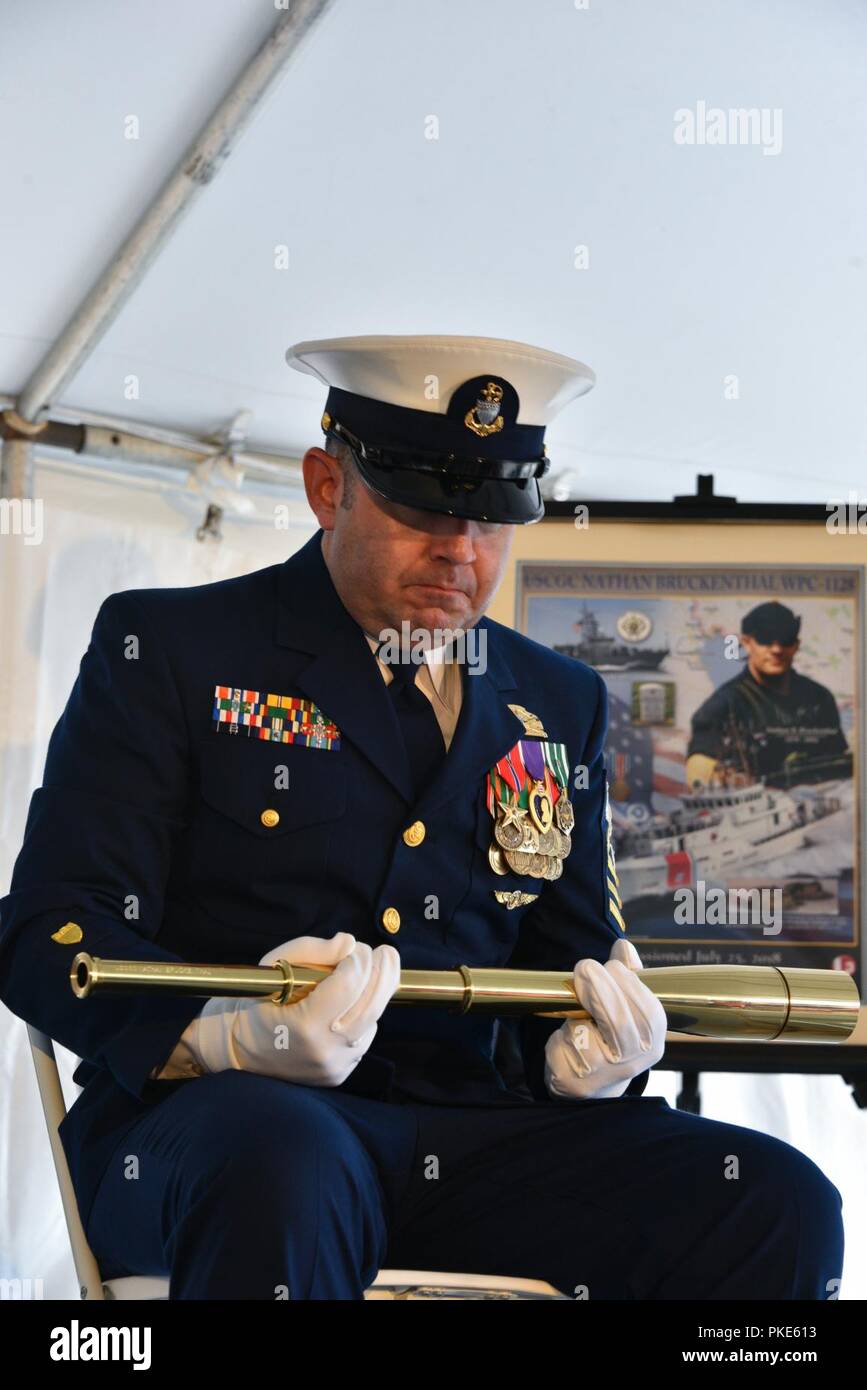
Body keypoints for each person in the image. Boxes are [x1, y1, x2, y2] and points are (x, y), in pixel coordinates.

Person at [0, 336, 843, 1300]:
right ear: (328, 486)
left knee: (773, 1204)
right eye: (421, 508)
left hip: (477, 1140)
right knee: (284, 1162)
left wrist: (584, 1062)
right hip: (224, 1127)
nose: (460, 549)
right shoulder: (172, 649)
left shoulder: (557, 698)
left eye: (493, 516)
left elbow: (568, 957)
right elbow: (50, 932)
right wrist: (222, 1033)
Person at [686, 601, 852, 789]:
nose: (777, 649)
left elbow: (840, 766)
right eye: (765, 639)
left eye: (786, 640)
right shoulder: (723, 704)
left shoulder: (820, 698)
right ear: (747, 643)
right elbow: (698, 767)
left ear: (796, 646)